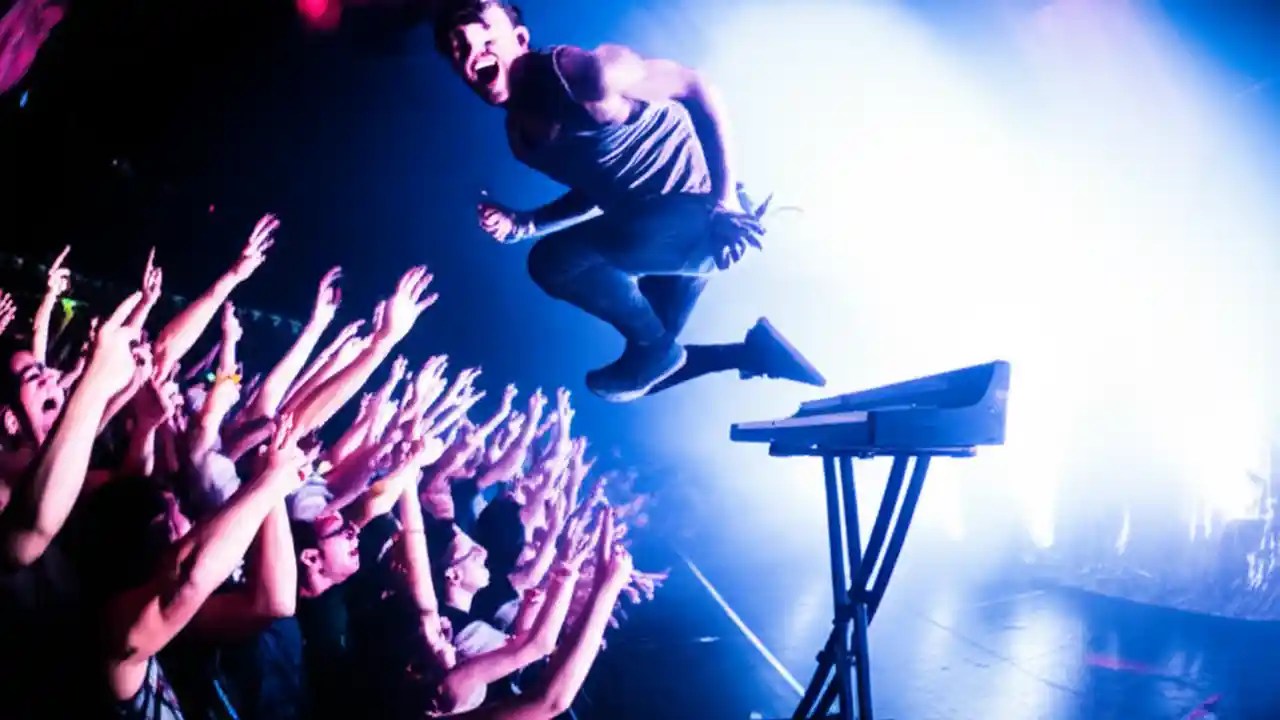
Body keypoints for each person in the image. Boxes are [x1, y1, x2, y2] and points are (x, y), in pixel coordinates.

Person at [431, 0, 826, 401]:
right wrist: (523, 224)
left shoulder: (580, 75)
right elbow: (594, 192)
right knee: (640, 379)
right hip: (661, 237)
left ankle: (659, 347)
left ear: (519, 38)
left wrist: (725, 202)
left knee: (550, 264)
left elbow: (694, 86)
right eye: (458, 49)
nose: (470, 50)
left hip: (710, 224)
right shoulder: (522, 141)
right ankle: (753, 353)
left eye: (483, 34)